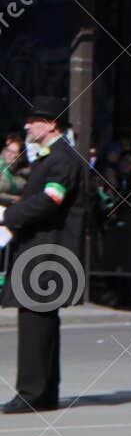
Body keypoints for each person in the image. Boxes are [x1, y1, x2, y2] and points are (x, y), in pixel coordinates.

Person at [0, 96, 86, 413]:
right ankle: (44, 392)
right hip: (43, 251)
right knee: (41, 322)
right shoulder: (53, 157)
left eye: (33, 120)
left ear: (51, 124)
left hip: (47, 253)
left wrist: (9, 214)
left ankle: (31, 393)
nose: (26, 125)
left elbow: (51, 200)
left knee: (36, 322)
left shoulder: (61, 159)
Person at [0, 132, 29, 205]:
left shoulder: (22, 178)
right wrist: (13, 198)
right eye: (8, 150)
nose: (9, 154)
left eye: (13, 152)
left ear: (20, 157)